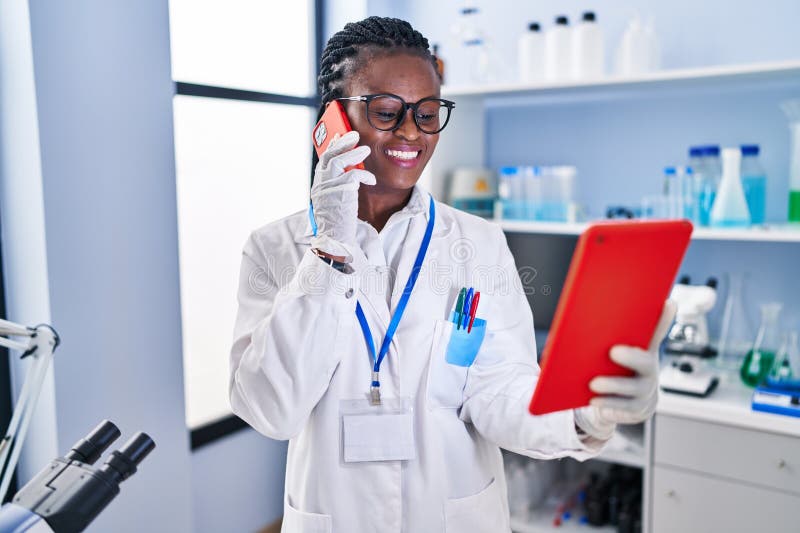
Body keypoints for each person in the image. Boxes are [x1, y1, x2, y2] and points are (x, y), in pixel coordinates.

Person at [229, 16, 674, 533]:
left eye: (427, 113)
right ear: (332, 121)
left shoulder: (479, 243)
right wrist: (329, 250)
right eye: (386, 111)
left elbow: (501, 389)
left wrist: (583, 413)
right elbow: (271, 410)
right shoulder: (275, 249)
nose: (411, 132)